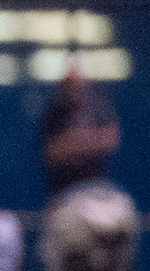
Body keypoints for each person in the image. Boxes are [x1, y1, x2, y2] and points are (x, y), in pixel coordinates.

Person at [41, 70, 120, 200]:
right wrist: (91, 140)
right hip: (62, 191)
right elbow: (52, 151)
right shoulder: (54, 112)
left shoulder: (98, 108)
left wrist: (72, 141)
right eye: (70, 85)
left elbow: (111, 139)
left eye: (78, 85)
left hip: (97, 188)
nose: (74, 89)